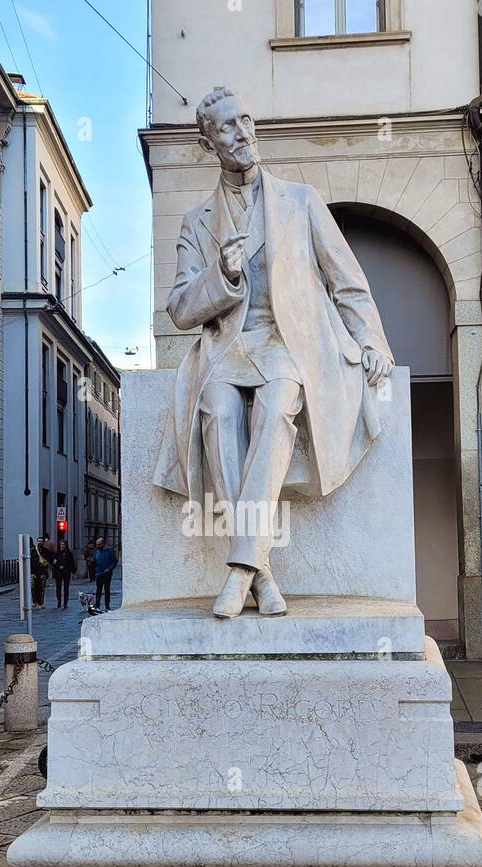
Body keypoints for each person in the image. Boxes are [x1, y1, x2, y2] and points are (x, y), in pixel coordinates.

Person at [154, 86, 394, 619]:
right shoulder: (197, 222)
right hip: (226, 348)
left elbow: (346, 283)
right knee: (215, 409)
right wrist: (225, 275)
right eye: (226, 128)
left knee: (278, 401)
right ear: (207, 142)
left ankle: (240, 568)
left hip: (287, 343)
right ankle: (260, 571)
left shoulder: (300, 200)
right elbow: (179, 308)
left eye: (244, 122)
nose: (241, 135)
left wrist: (371, 340)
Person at [93, 538, 118, 612]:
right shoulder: (96, 551)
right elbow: (94, 561)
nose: (97, 545)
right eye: (96, 544)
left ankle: (107, 606)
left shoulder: (109, 551)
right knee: (98, 590)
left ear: (103, 544)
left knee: (107, 590)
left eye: (99, 544)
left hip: (107, 574)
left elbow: (114, 562)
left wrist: (109, 568)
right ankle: (97, 605)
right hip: (98, 573)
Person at [53, 536, 77, 608]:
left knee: (66, 588)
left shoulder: (68, 553)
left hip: (66, 572)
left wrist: (73, 571)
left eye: (63, 544)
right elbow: (54, 562)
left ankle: (65, 603)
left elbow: (71, 562)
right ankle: (59, 602)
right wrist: (58, 566)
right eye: (61, 544)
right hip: (58, 572)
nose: (62, 546)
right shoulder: (57, 553)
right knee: (58, 588)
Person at [30, 536, 50, 609]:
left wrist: (45, 564)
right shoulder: (33, 550)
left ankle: (41, 603)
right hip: (34, 572)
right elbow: (31, 562)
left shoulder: (46, 551)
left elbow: (49, 560)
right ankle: (34, 602)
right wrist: (32, 572)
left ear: (43, 542)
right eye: (38, 541)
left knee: (41, 588)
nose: (40, 542)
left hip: (42, 572)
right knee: (33, 588)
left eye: (41, 541)